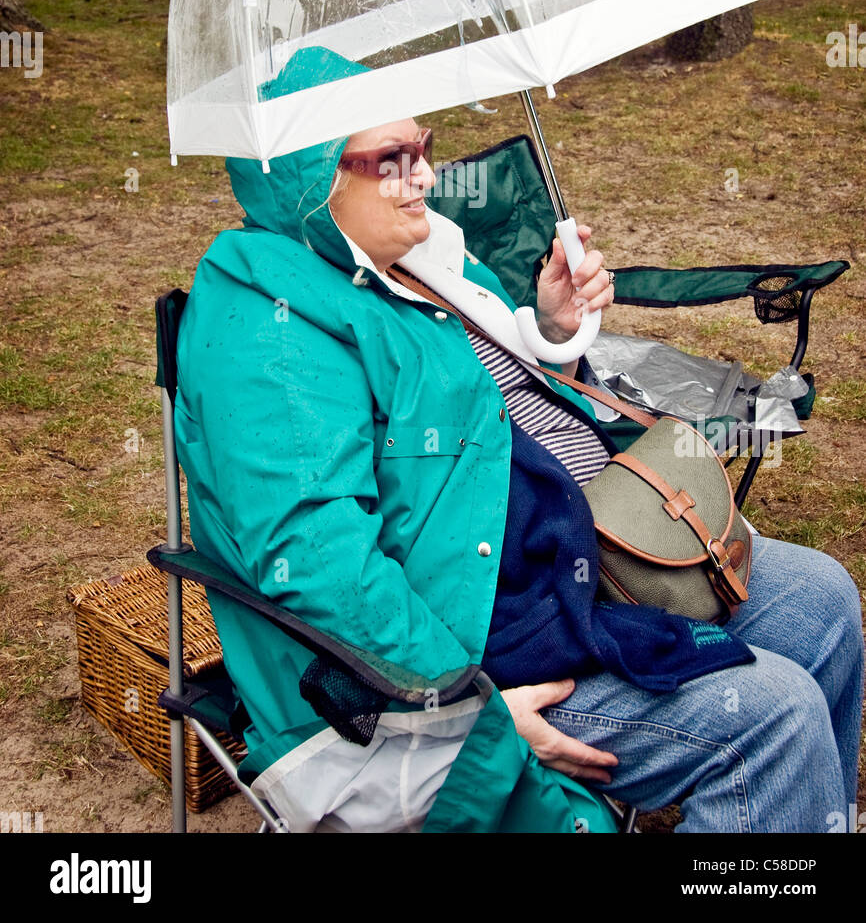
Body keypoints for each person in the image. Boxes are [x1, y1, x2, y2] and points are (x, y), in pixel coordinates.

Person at [174, 46, 864, 833]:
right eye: (392, 159)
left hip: (562, 554)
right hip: (456, 652)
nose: (425, 178)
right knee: (770, 720)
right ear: (312, 171)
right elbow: (322, 566)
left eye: (423, 150)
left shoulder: (407, 259)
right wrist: (469, 708)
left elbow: (483, 401)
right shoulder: (272, 335)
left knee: (821, 605)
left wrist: (551, 326)